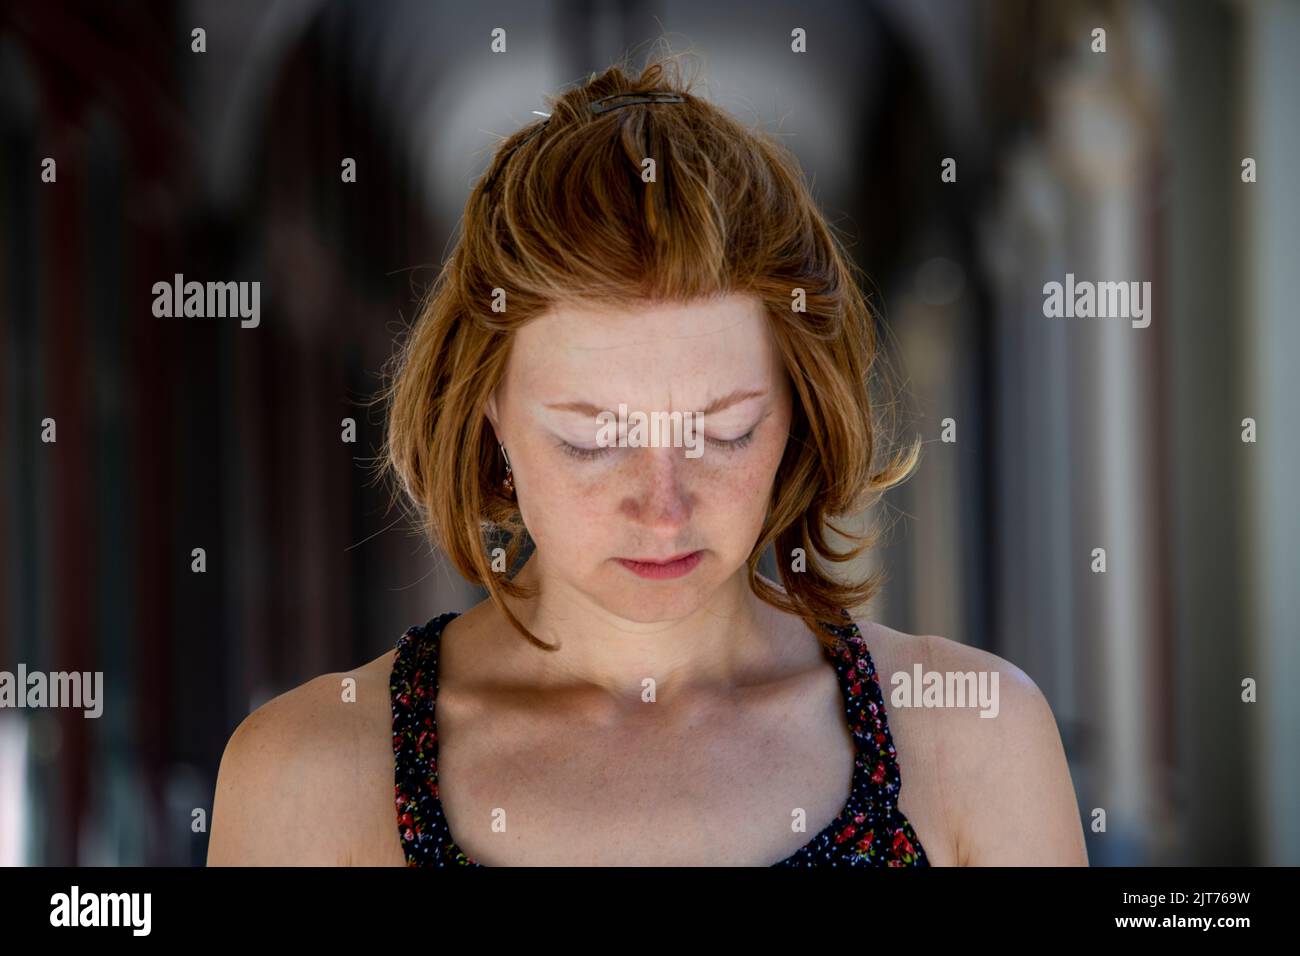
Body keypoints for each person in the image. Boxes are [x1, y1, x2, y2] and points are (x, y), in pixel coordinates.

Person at [207, 55, 1088, 867]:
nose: (663, 509)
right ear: (488, 411)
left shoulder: (973, 740)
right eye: (592, 441)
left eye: (725, 430)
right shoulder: (308, 775)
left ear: (797, 412)